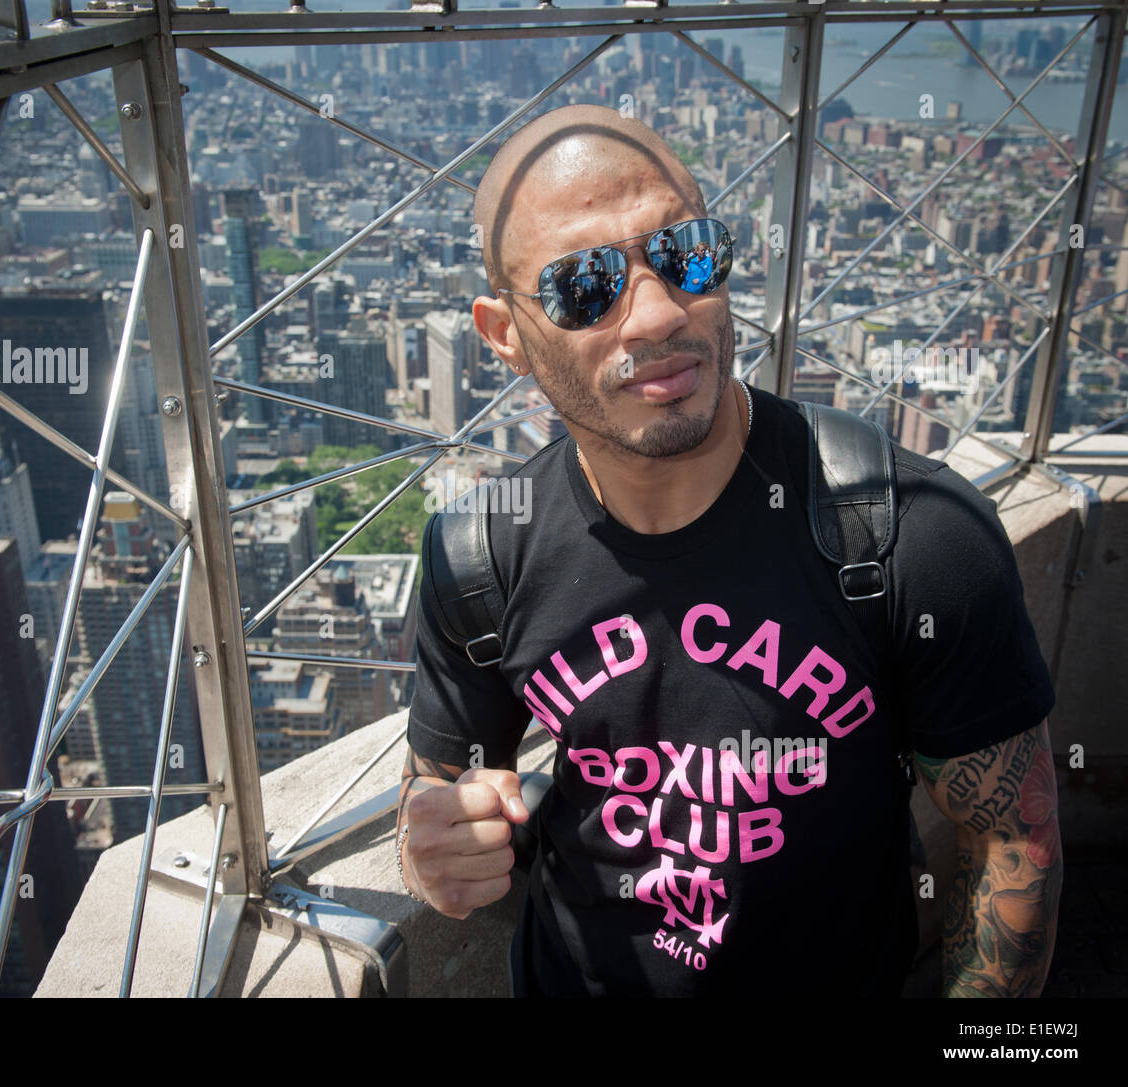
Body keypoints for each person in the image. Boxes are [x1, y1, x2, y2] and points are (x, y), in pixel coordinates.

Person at [395, 104, 1061, 998]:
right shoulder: (479, 554)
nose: (660, 314)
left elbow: (1011, 842)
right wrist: (430, 850)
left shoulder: (913, 533)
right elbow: (443, 790)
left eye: (686, 254)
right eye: (584, 286)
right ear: (505, 334)